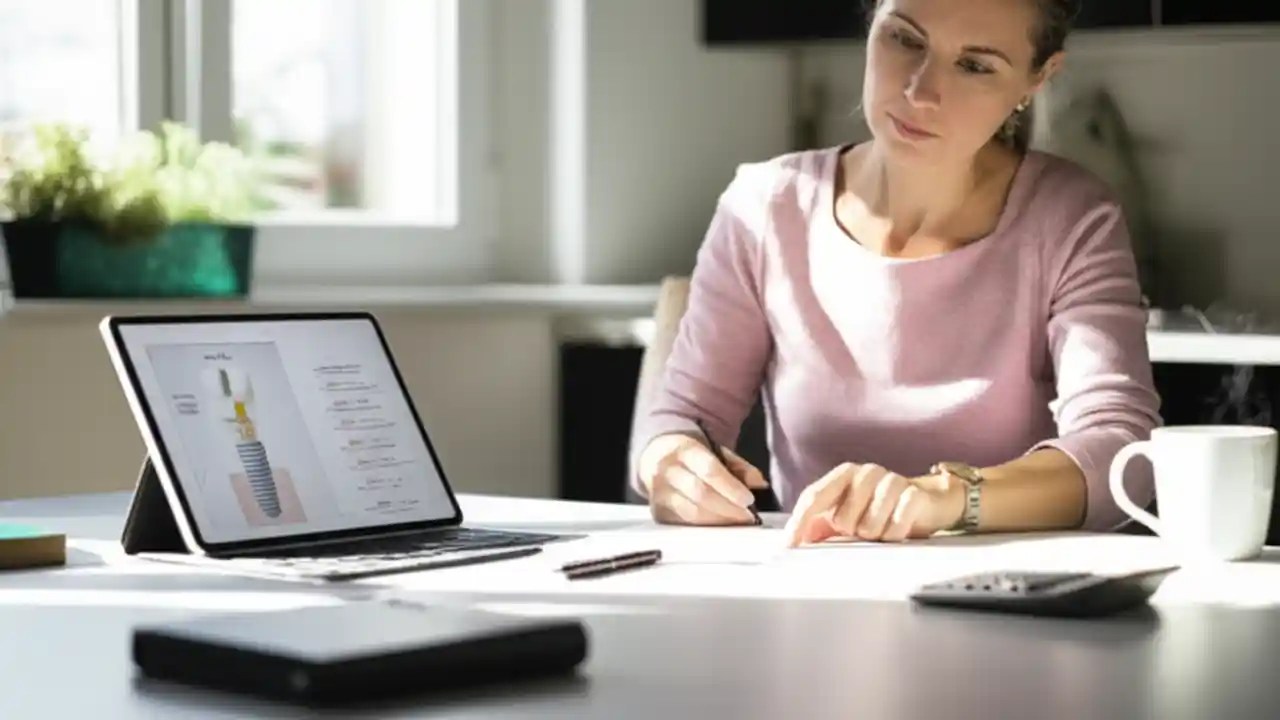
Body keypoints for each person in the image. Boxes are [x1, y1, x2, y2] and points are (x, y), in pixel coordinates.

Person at [631, 0, 1162, 547]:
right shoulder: (765, 207)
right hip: (812, 588)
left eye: (975, 66)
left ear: (1036, 79)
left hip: (1004, 599)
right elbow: (679, 420)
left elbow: (1122, 452)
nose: (920, 91)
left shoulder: (1071, 216)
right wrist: (669, 463)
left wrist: (944, 499)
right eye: (905, 40)